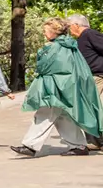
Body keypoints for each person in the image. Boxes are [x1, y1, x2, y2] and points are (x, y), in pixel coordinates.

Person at [14, 18, 103, 157]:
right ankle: (78, 145)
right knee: (64, 116)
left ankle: (30, 145)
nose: (44, 33)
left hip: (55, 87)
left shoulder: (54, 47)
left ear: (53, 31)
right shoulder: (70, 46)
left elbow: (44, 67)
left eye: (45, 31)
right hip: (66, 86)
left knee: (45, 113)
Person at [68, 14, 103, 147]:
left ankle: (97, 140)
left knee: (89, 109)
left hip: (97, 76)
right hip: (91, 76)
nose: (70, 31)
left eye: (70, 27)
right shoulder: (83, 38)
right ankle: (95, 141)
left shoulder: (89, 34)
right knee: (90, 109)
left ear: (76, 25)